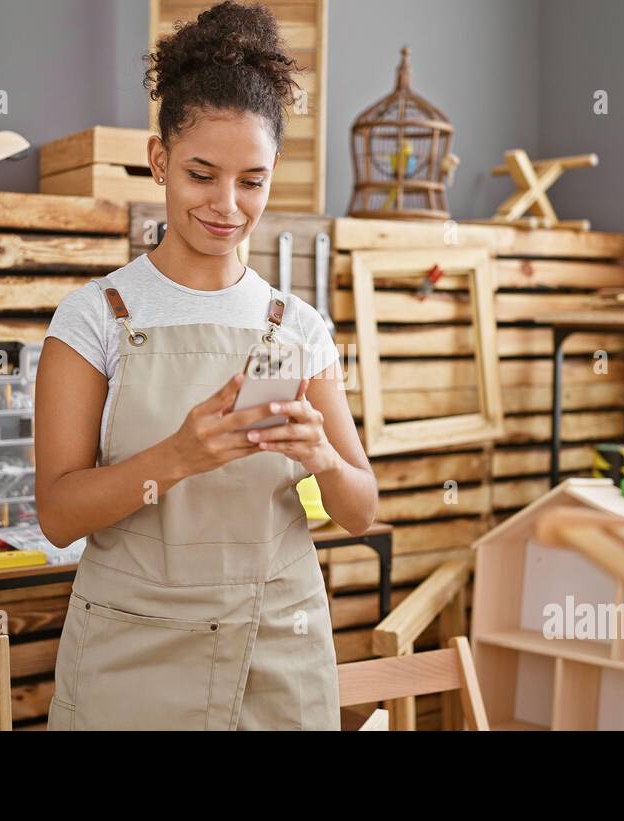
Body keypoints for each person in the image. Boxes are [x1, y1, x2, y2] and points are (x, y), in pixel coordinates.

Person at [35, 1, 377, 730]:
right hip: (133, 654)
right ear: (159, 160)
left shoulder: (298, 327)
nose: (227, 204)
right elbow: (58, 515)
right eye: (201, 174)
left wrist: (320, 455)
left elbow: (360, 509)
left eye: (252, 181)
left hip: (277, 653)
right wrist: (178, 456)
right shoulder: (97, 317)